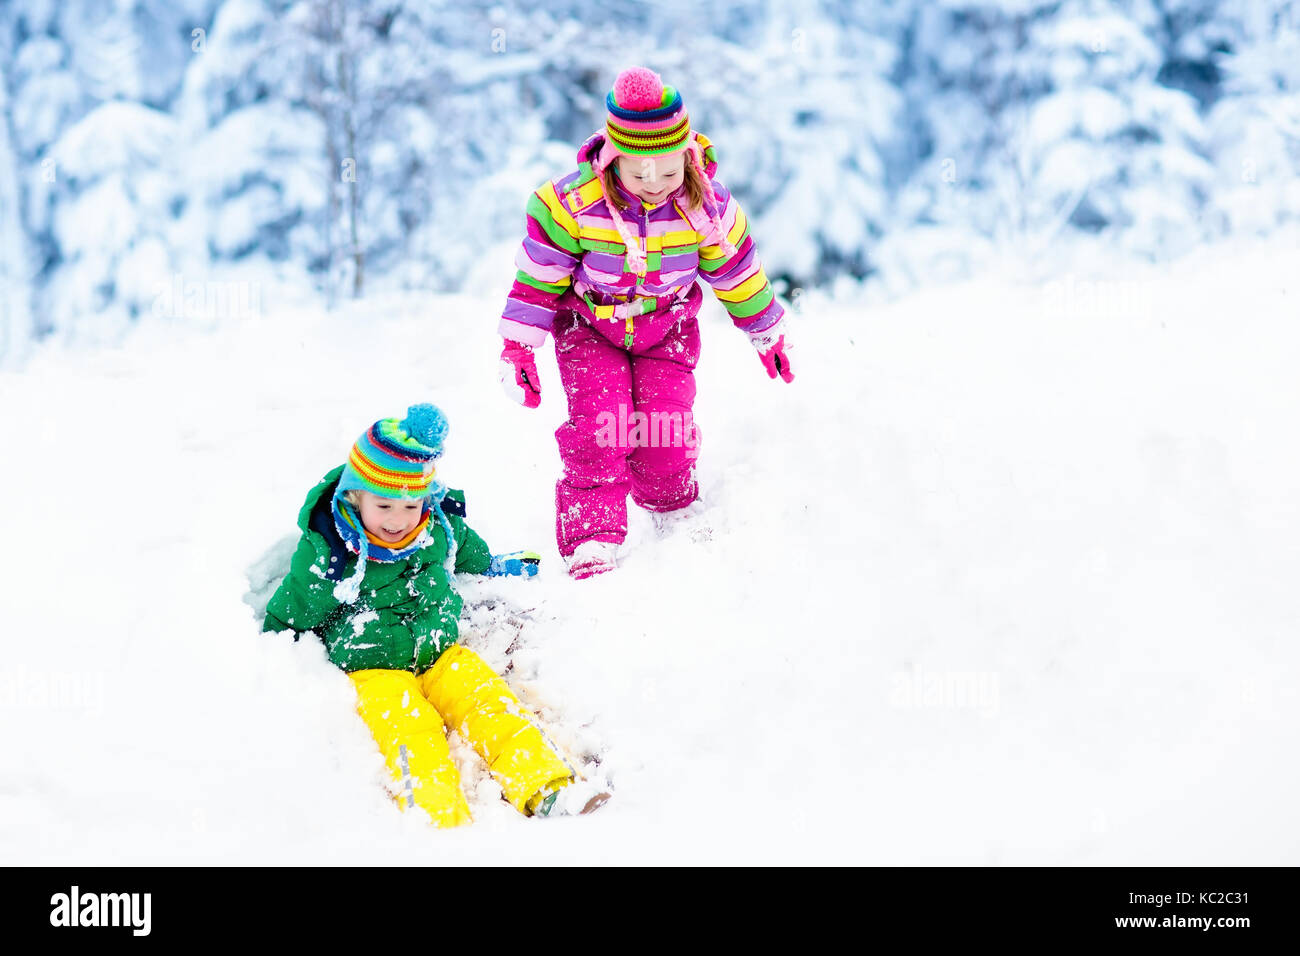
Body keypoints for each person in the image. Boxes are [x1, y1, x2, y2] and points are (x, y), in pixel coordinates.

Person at [497, 66, 795, 580]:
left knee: (665, 425)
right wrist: (519, 347)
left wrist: (765, 331)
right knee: (601, 426)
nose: (654, 184)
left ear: (686, 156)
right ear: (613, 160)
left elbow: (736, 271)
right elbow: (540, 277)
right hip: (591, 327)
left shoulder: (708, 206)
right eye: (638, 173)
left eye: (668, 170)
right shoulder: (574, 204)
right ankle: (591, 535)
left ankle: (671, 508)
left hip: (668, 327)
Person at [263, 403, 608, 825]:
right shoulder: (330, 554)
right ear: (355, 495)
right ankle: (439, 820)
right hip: (373, 668)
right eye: (384, 506)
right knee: (409, 732)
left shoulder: (435, 525)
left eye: (411, 506)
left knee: (489, 704)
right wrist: (277, 660)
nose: (399, 520)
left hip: (439, 649)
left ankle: (547, 785)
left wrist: (495, 566)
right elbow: (290, 612)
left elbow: (466, 546)